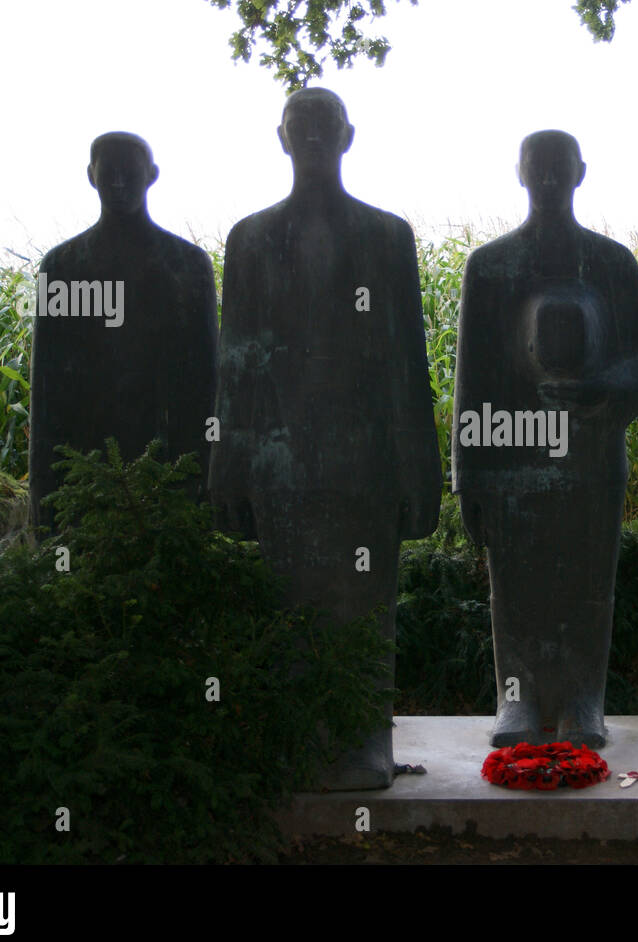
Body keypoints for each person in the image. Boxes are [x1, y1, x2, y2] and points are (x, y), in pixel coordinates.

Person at [209, 88, 440, 791]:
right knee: (290, 607)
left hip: (365, 459)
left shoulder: (387, 236)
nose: (312, 136)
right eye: (299, 126)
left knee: (364, 607)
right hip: (281, 461)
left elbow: (408, 361)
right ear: (281, 140)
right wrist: (228, 462)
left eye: (324, 125)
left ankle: (364, 741)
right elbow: (237, 361)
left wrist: (419, 468)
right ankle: (297, 740)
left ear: (348, 136)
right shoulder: (250, 240)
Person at [453, 130, 638, 748]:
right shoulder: (490, 267)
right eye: (537, 169)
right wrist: (468, 476)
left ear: (581, 173)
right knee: (514, 585)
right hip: (510, 455)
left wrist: (603, 391)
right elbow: (472, 381)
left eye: (558, 169)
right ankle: (516, 699)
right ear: (520, 174)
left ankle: (583, 698)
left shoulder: (610, 264)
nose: (548, 180)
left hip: (590, 461)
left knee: (586, 583)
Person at [30, 132, 217, 531]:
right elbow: (46, 391)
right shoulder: (63, 267)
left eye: (128, 173)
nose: (117, 183)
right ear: (90, 176)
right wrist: (42, 496)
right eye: (108, 172)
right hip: (84, 473)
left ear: (152, 175)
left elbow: (206, 385)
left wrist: (207, 479)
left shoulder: (187, 266)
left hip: (170, 469)